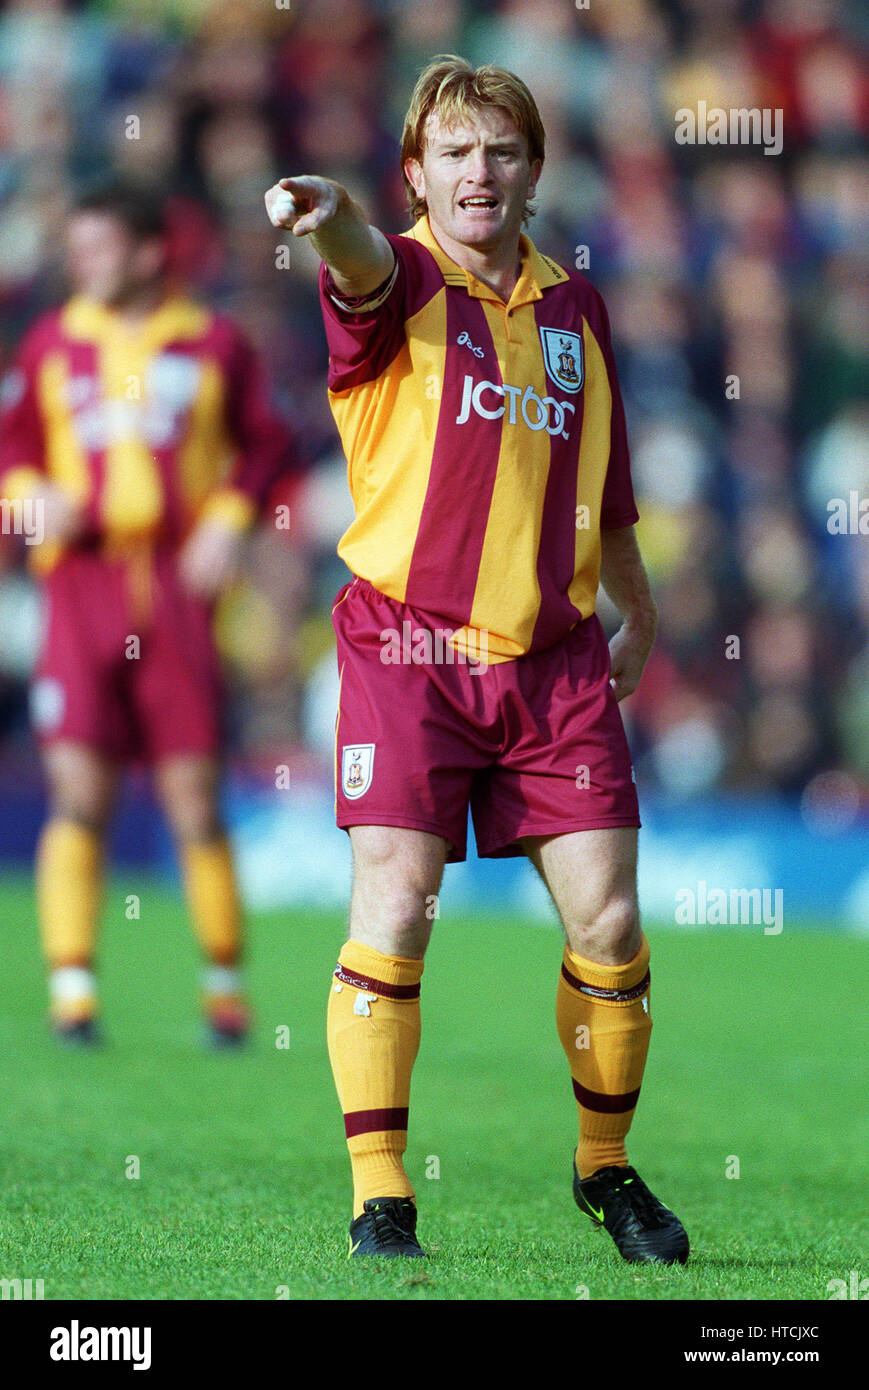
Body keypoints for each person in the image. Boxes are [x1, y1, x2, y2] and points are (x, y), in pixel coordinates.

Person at [265, 55, 688, 1263]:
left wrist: (638, 612)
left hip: (553, 660)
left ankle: (604, 1171)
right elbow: (351, 255)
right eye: (453, 151)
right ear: (416, 173)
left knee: (608, 924)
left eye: (499, 150)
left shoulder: (576, 308)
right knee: (396, 906)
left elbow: (602, 490)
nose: (477, 171)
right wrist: (328, 216)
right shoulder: (396, 278)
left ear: (533, 171)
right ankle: (380, 1189)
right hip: (407, 647)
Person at [0, 180, 296, 1046]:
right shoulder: (53, 342)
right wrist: (29, 497)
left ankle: (225, 990)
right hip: (80, 586)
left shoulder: (213, 342)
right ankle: (73, 991)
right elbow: (13, 448)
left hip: (176, 589)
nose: (82, 265)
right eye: (77, 250)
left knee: (193, 795)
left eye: (98, 249)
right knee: (76, 790)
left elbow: (267, 445)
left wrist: (229, 524)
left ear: (148, 253)